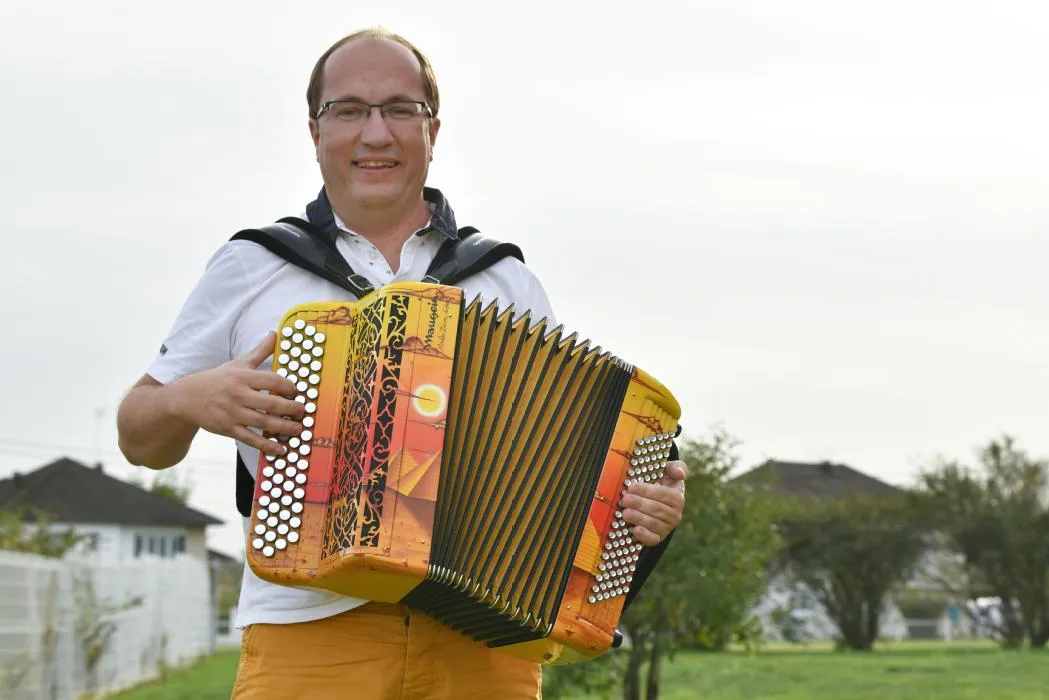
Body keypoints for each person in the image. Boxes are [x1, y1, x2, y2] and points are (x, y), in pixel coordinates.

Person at [116, 27, 687, 700]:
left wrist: (642, 503)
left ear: (432, 129)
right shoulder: (255, 265)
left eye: (399, 109)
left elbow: (562, 465)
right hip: (310, 627)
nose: (375, 133)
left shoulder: (503, 280)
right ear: (315, 131)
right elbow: (137, 434)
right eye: (350, 110)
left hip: (479, 633)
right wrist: (190, 399)